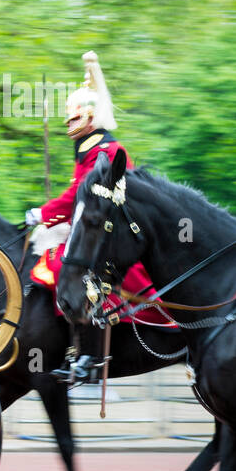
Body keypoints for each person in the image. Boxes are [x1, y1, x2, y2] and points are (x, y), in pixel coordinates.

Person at [26, 51, 157, 384]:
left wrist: (43, 213)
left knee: (72, 270)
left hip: (111, 231)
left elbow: (78, 197)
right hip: (89, 225)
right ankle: (71, 346)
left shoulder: (105, 151)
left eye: (74, 119)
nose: (70, 125)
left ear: (89, 117)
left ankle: (91, 355)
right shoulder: (90, 146)